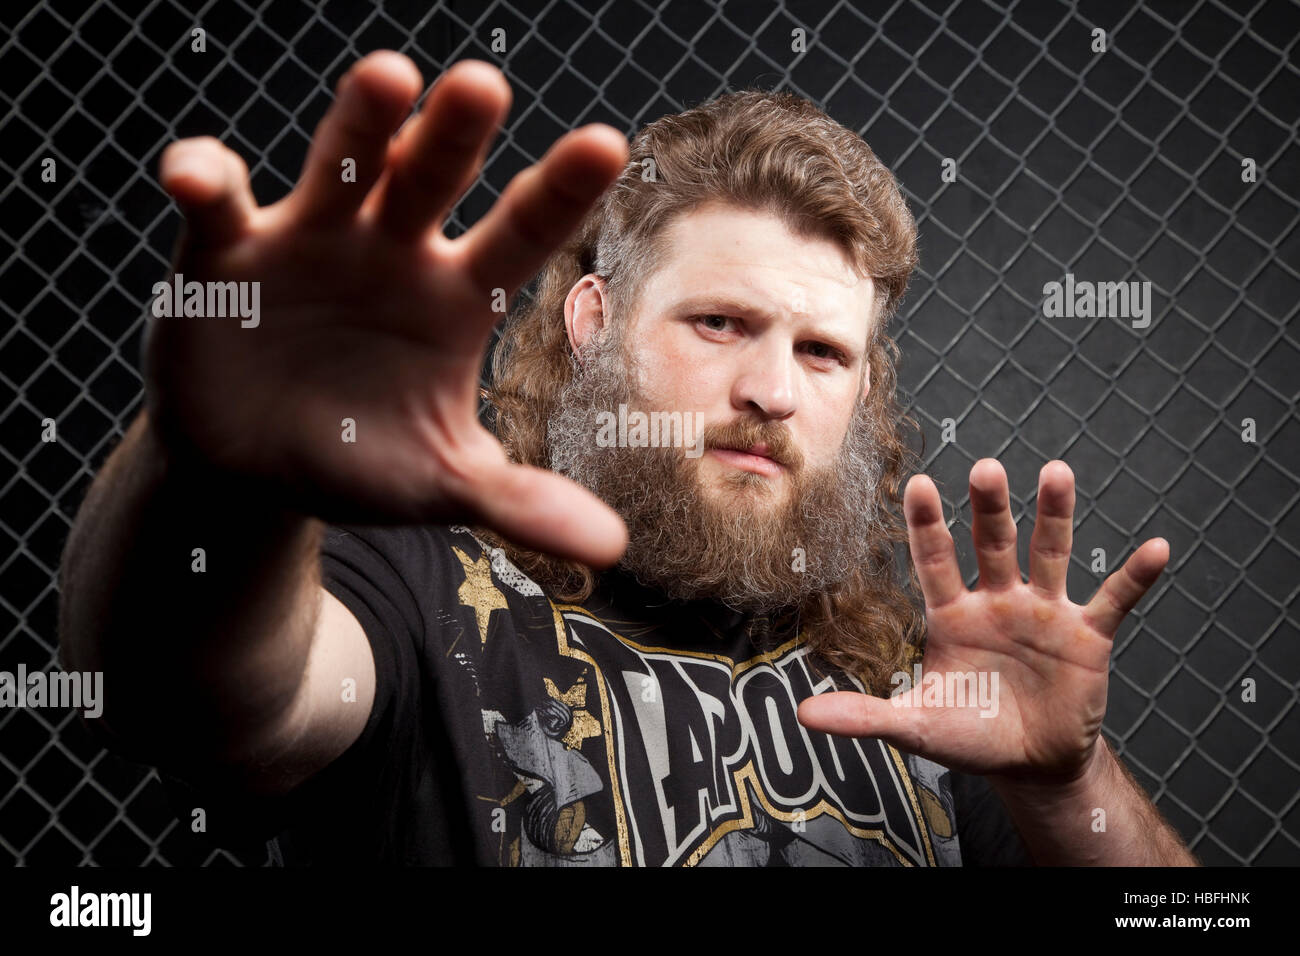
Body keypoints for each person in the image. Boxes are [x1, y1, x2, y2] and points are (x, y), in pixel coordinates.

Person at [58, 52, 1196, 866]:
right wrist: (221, 473)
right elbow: (205, 705)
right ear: (593, 320)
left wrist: (1067, 784)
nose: (771, 388)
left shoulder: (920, 681)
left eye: (820, 350)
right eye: (717, 324)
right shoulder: (418, 587)